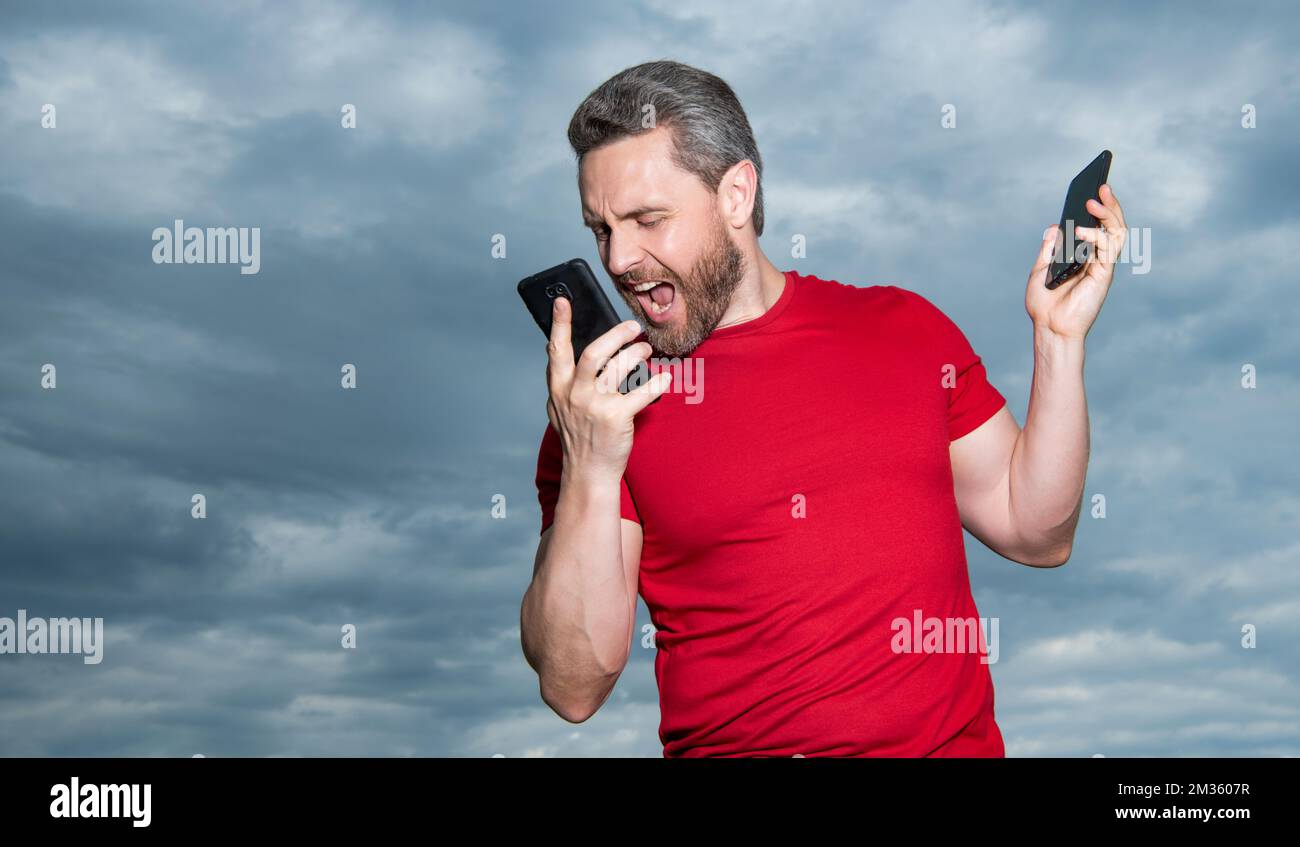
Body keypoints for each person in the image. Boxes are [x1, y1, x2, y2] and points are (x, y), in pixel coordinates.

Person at [520, 60, 1127, 757]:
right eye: (600, 229)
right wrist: (593, 465)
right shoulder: (598, 411)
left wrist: (1058, 343)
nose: (620, 258)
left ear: (736, 195)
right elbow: (573, 684)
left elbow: (1036, 530)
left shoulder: (905, 329)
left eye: (647, 220)